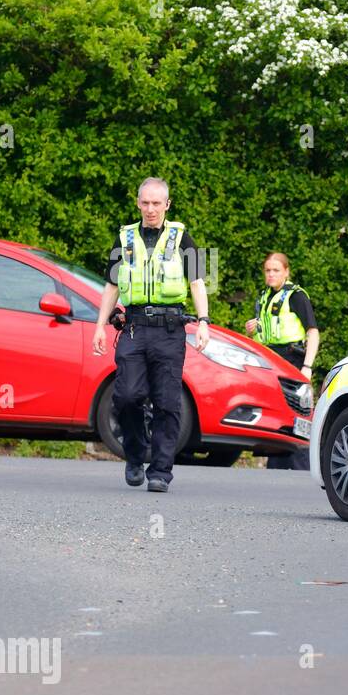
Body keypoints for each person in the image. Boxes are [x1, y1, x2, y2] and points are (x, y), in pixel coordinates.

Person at [92, 177, 210, 492]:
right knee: (127, 396)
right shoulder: (124, 238)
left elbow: (197, 281)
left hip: (170, 331)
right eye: (145, 202)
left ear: (167, 205)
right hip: (133, 328)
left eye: (157, 203)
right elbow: (112, 285)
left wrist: (204, 321)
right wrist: (100, 326)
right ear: (138, 203)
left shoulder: (184, 238)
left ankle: (160, 471)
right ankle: (134, 455)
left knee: (167, 402)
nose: (150, 209)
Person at [245, 252, 319, 470]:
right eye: (268, 270)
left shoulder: (296, 296)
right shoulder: (265, 296)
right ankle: (276, 465)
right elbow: (267, 332)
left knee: (297, 416)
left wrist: (307, 367)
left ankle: (303, 467)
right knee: (276, 415)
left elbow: (313, 332)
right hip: (270, 361)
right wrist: (253, 328)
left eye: (276, 270)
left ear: (286, 272)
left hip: (292, 361)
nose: (271, 274)